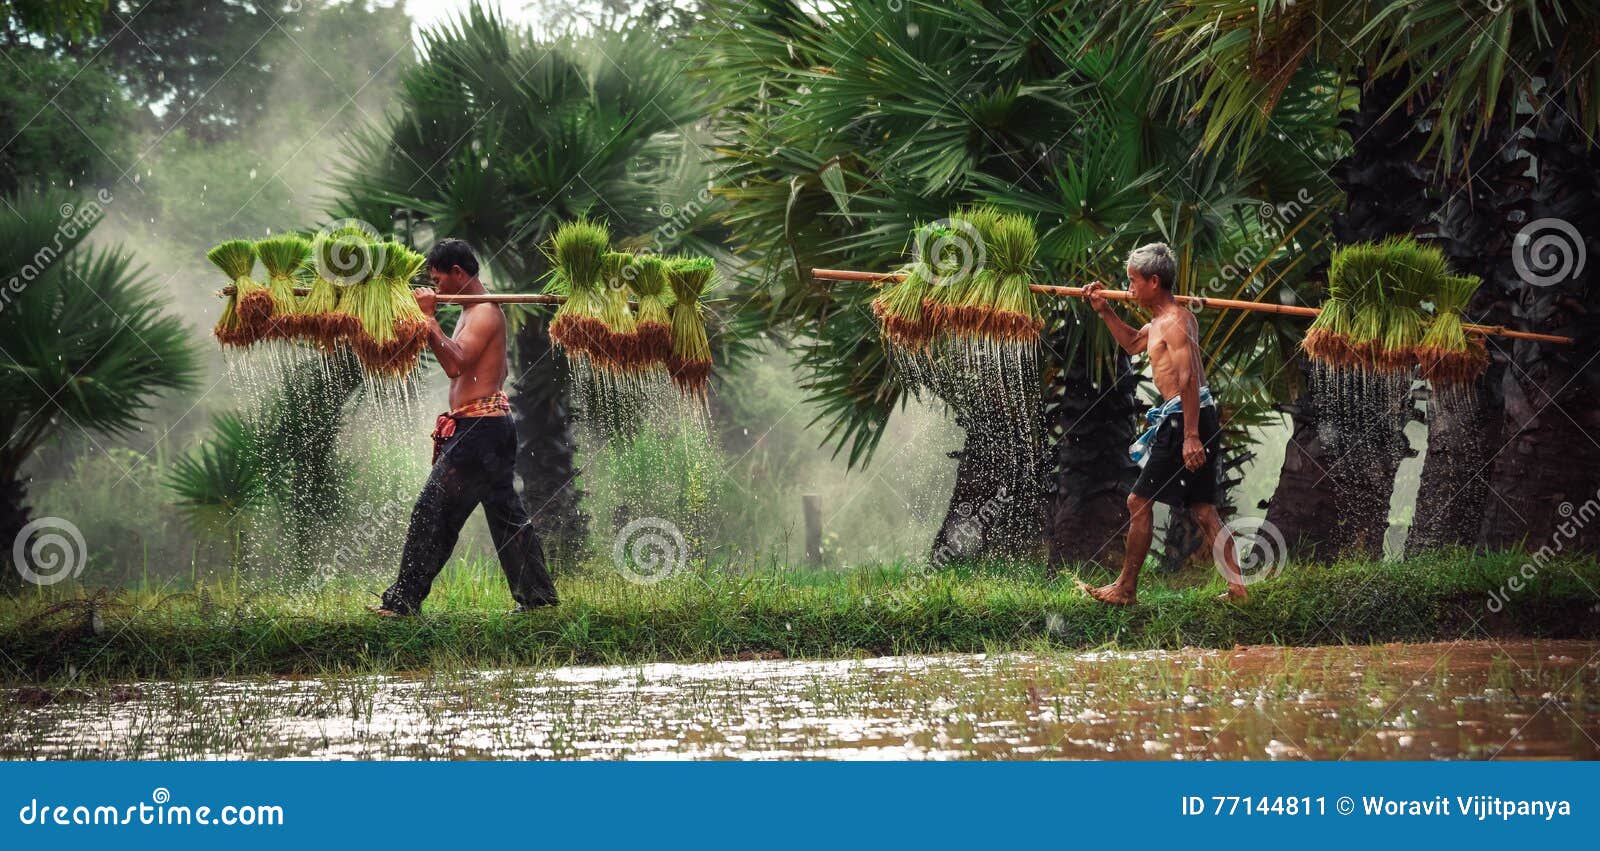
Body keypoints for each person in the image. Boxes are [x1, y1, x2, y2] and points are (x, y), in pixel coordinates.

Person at [369, 239, 559, 616]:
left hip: (480, 432)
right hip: (486, 428)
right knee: (507, 517)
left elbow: (455, 364)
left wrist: (428, 320)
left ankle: (403, 603)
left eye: (437, 280)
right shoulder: (470, 311)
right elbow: (480, 367)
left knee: (432, 511)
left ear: (457, 273)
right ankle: (538, 600)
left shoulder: (484, 312)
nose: (436, 288)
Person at [1080, 242, 1249, 605]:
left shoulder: (1175, 321)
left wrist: (1190, 436)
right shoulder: (1159, 323)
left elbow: (1188, 379)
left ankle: (1125, 589)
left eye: (1134, 281)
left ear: (1154, 282)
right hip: (1189, 416)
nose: (1129, 288)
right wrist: (1104, 310)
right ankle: (1239, 590)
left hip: (1185, 418)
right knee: (1204, 510)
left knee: (1138, 501)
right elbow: (1132, 344)